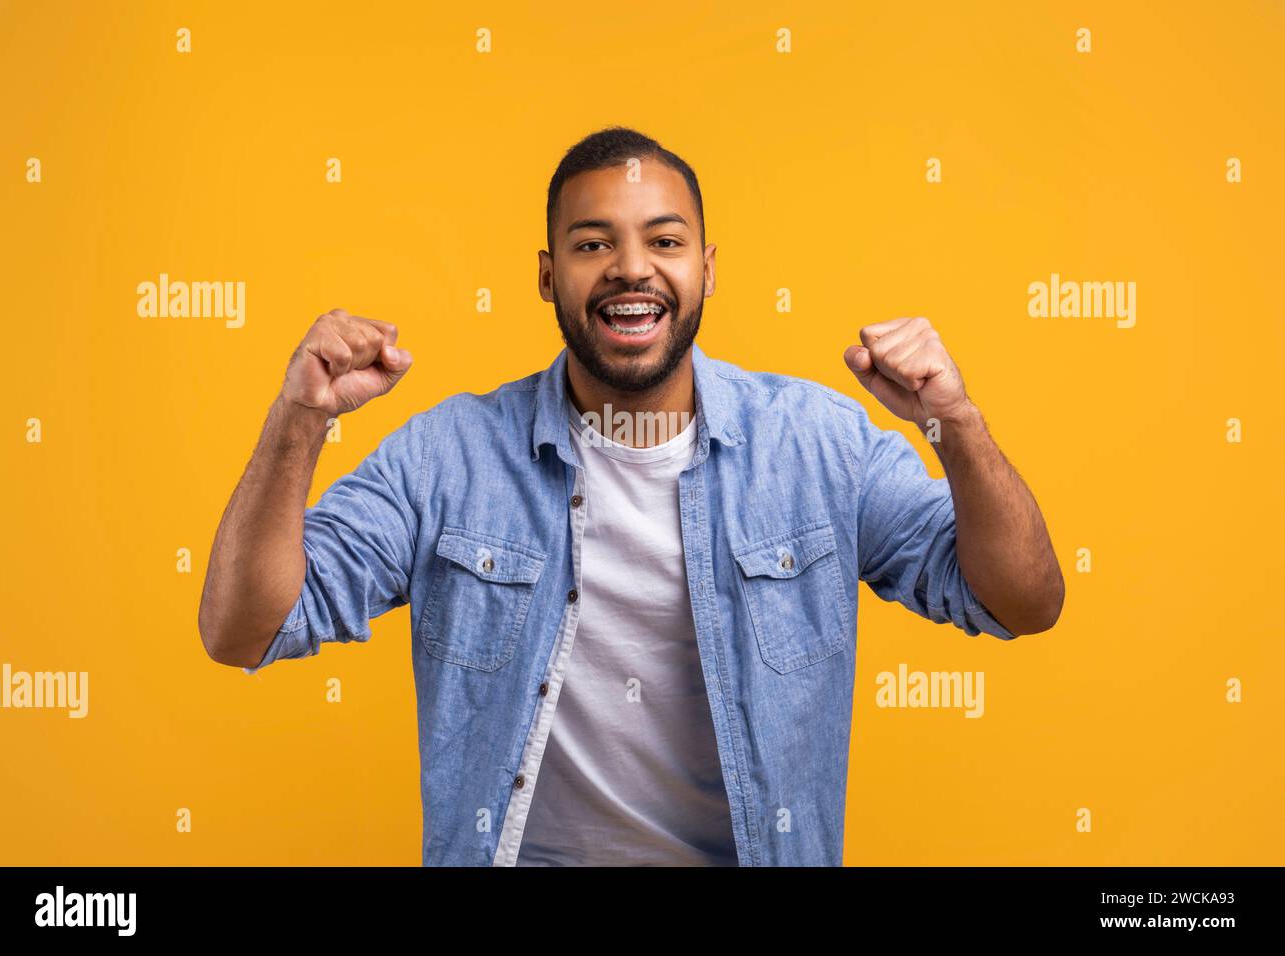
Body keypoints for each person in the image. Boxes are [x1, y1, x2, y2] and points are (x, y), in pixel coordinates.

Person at [197, 126, 1064, 867]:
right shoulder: (448, 459)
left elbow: (1021, 600)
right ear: (548, 276)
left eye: (664, 240)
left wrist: (954, 422)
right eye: (592, 244)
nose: (630, 270)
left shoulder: (817, 445)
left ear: (708, 267)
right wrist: (299, 420)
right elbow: (244, 628)